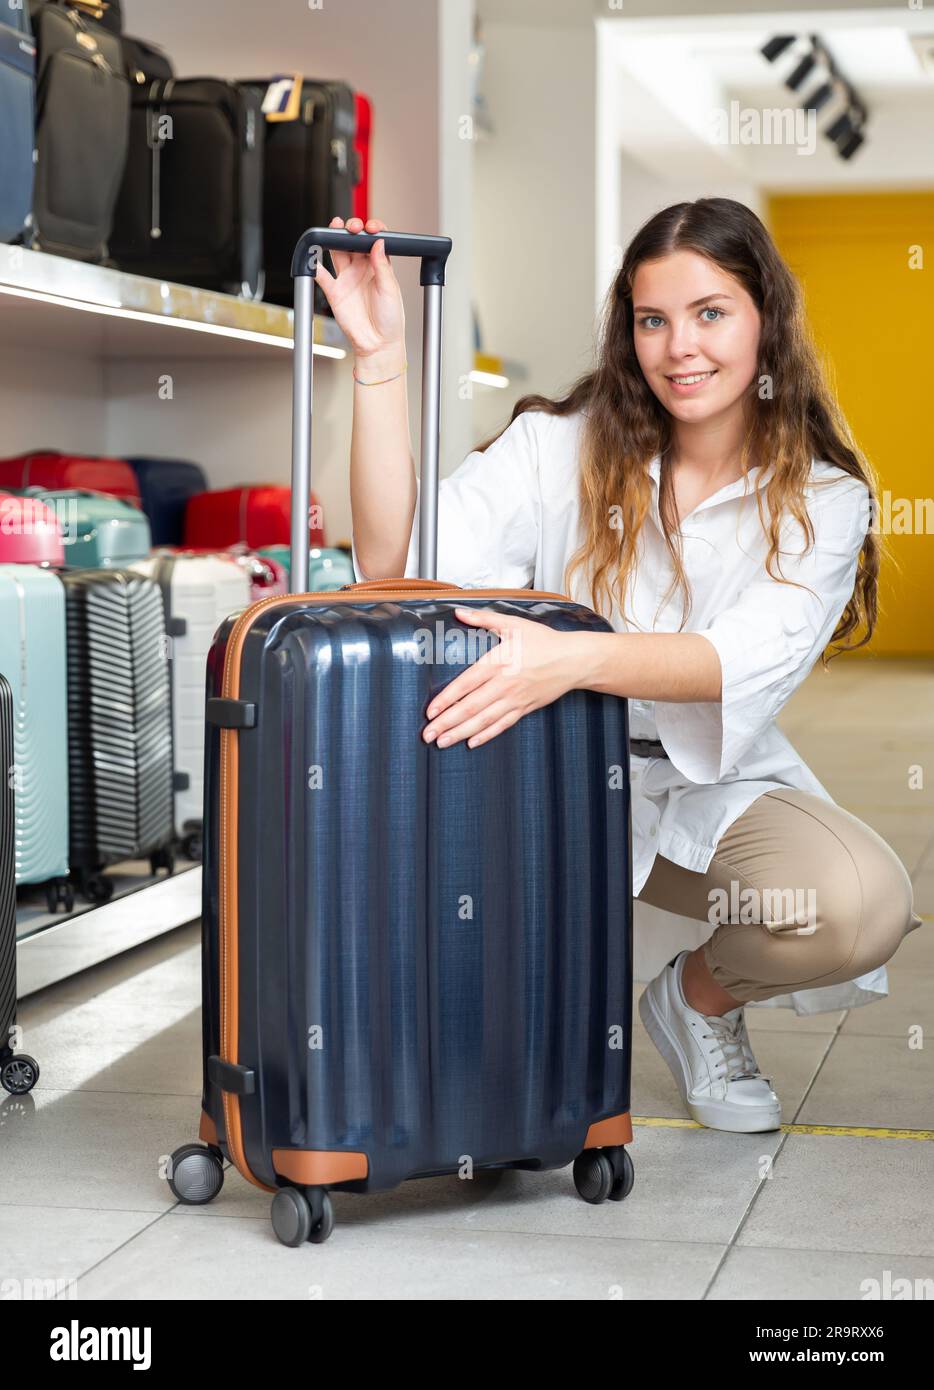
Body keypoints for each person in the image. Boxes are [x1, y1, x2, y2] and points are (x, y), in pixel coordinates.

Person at [312, 198, 923, 1135]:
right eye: (652, 319)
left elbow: (733, 661)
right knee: (477, 1036)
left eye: (711, 312)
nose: (680, 346)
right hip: (534, 772)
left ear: (768, 318)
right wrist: (379, 362)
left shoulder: (824, 500)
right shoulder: (560, 446)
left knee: (857, 904)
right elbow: (398, 564)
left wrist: (568, 659)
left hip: (697, 781)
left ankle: (695, 1001)